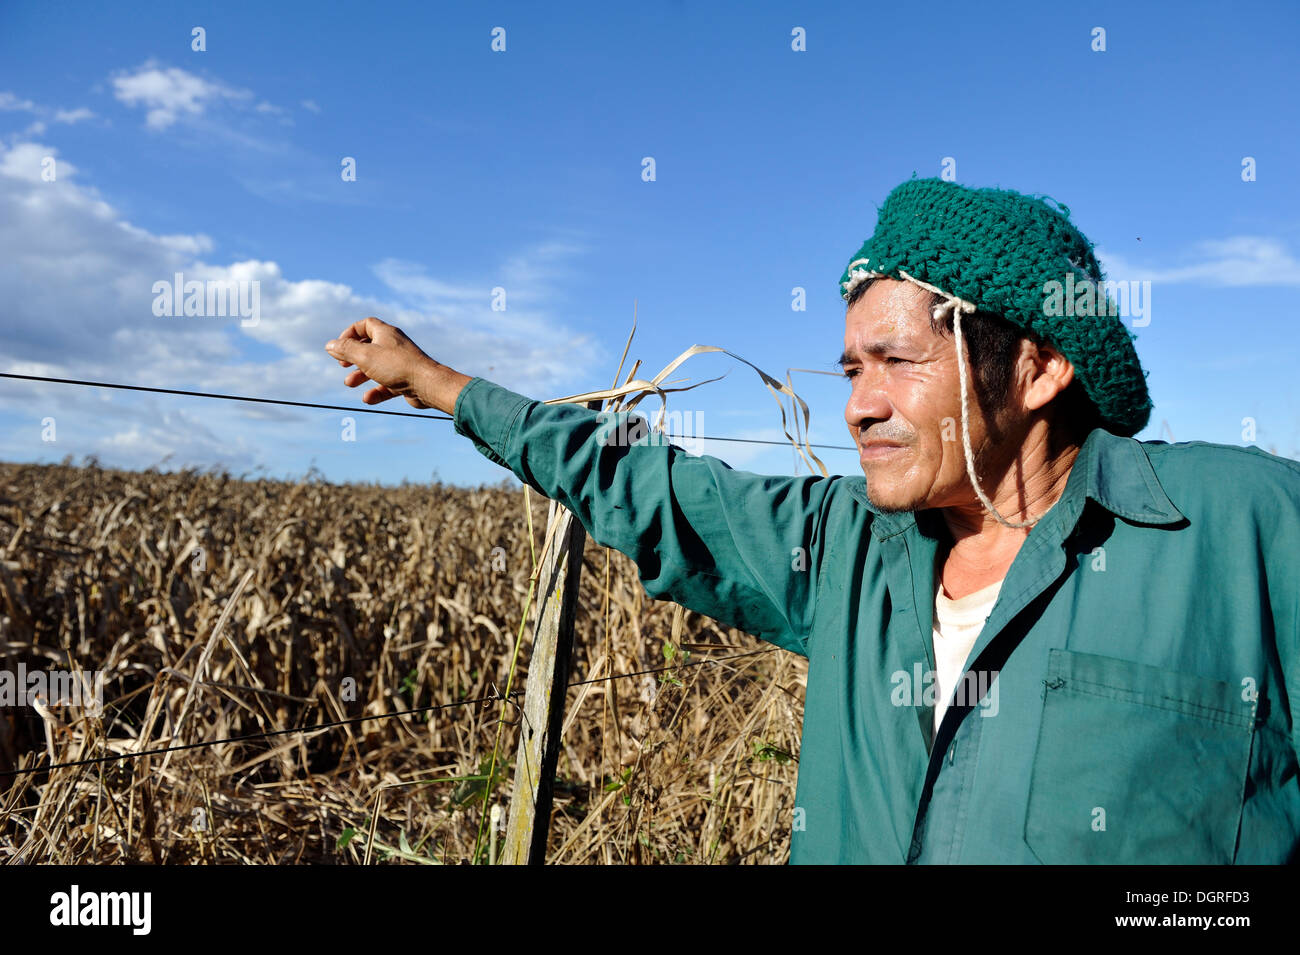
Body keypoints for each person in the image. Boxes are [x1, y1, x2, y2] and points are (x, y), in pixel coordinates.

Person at [325, 177, 1300, 864]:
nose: (857, 406)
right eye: (849, 369)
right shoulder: (842, 547)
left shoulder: (1243, 529)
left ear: (1038, 367)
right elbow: (642, 485)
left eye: (898, 361)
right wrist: (445, 386)